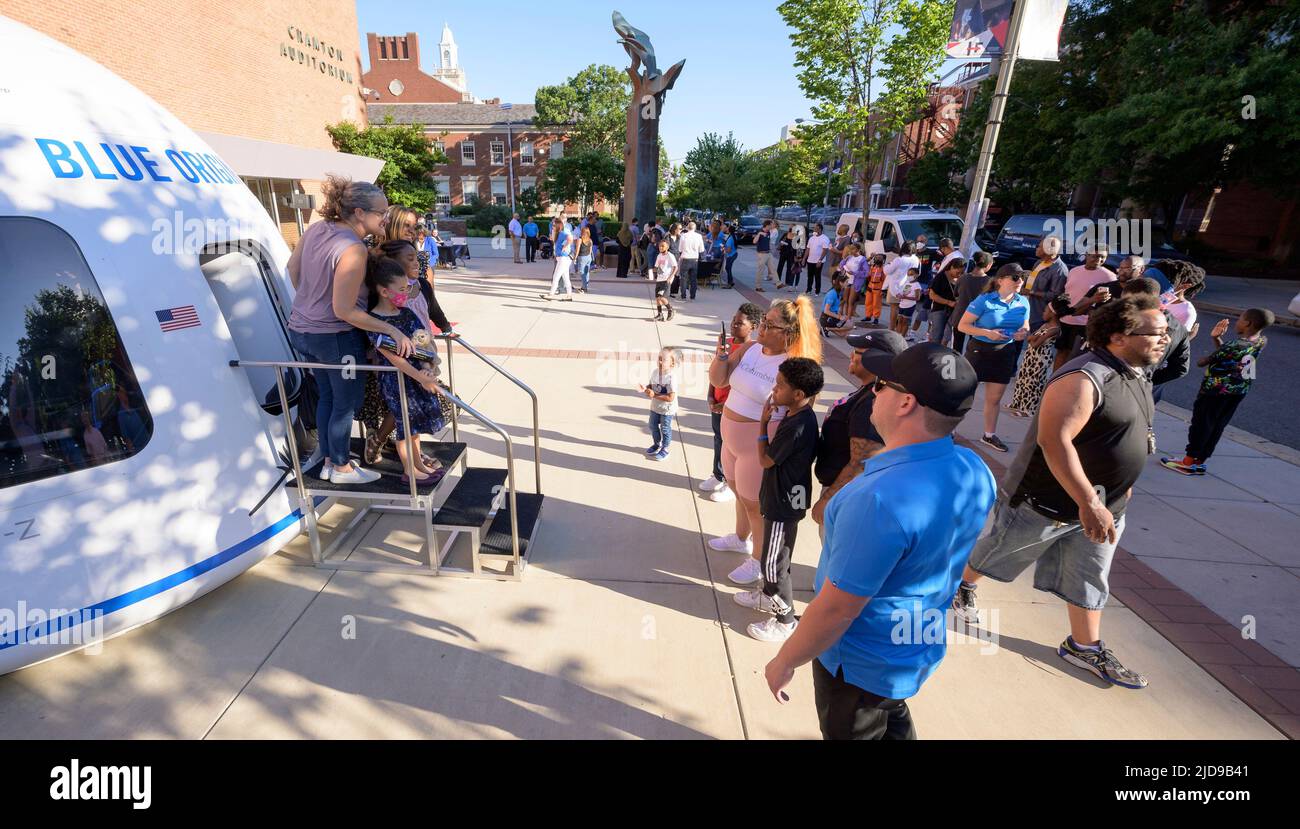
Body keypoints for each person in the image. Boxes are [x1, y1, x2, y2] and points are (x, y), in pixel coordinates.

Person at [764, 343, 996, 740]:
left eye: (881, 384)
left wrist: (785, 660)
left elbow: (837, 610)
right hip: (913, 647)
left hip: (858, 663)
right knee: (892, 717)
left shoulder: (875, 499)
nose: (873, 390)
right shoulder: (975, 468)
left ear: (905, 403)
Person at [954, 295, 1171, 690]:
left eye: (1166, 331)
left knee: (1092, 575)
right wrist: (1088, 501)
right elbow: (1055, 441)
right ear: (1119, 337)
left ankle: (1083, 646)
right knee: (1001, 550)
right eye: (1156, 333)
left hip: (1106, 506)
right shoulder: (1083, 376)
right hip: (1047, 501)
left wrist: (1117, 495)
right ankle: (962, 586)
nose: (1165, 339)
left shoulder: (1136, 373)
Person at [287, 175, 412, 486]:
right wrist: (391, 330)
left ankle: (331, 460)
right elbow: (345, 310)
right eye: (381, 213)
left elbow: (292, 270)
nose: (385, 219)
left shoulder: (316, 229)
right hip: (335, 335)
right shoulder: (353, 249)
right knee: (345, 402)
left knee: (328, 397)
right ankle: (341, 467)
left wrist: (310, 301)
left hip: (302, 330)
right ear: (359, 213)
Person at [708, 298, 822, 585]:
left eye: (770, 325)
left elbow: (798, 412)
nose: (762, 328)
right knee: (738, 493)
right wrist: (721, 356)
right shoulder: (750, 348)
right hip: (730, 438)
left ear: (789, 334)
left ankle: (758, 560)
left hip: (756, 444)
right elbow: (720, 381)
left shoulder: (793, 366)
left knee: (754, 504)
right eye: (763, 322)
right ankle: (739, 538)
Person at [736, 357, 825, 642]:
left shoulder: (797, 425)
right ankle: (765, 596)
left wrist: (762, 424)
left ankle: (785, 618)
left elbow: (765, 460)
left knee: (773, 565)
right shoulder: (797, 414)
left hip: (784, 503)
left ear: (798, 394)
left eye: (780, 385)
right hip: (785, 497)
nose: (774, 389)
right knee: (775, 558)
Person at [811, 331, 906, 536]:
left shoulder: (872, 403)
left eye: (857, 351)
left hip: (846, 497)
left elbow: (862, 461)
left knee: (835, 563)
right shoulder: (867, 392)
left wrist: (829, 498)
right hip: (842, 492)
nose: (850, 355)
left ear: (877, 361)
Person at [1161, 308, 1274, 476]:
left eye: (1240, 319)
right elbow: (1228, 355)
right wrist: (1216, 338)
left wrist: (1211, 346)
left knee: (1201, 424)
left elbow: (1204, 361)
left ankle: (1188, 461)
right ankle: (1199, 462)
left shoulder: (1234, 345)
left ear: (1248, 323)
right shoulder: (1261, 341)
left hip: (1215, 391)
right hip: (1239, 390)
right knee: (1217, 425)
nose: (1237, 322)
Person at [365, 257, 446, 484]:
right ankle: (410, 470)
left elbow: (420, 346)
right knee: (404, 424)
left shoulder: (406, 314)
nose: (405, 293)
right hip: (395, 380)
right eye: (401, 289)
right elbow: (393, 358)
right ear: (384, 291)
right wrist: (418, 376)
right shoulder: (374, 320)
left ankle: (419, 464)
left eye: (407, 288)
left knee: (415, 425)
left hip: (415, 377)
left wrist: (426, 370)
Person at [957, 264, 1031, 453]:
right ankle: (949, 431)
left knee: (994, 399)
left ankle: (989, 435)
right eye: (1015, 277)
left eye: (1022, 277)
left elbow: (1025, 325)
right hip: (979, 351)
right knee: (964, 395)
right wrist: (986, 333)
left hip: (1005, 352)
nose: (1020, 281)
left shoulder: (1023, 301)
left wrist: (1023, 333)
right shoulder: (985, 300)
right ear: (1000, 280)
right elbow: (963, 326)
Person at [701, 304, 763, 501]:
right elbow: (715, 371)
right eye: (733, 321)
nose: (734, 325)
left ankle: (730, 482)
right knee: (718, 440)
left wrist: (724, 404)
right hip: (717, 403)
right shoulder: (726, 343)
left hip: (732, 407)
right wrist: (711, 395)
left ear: (752, 326)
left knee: (732, 446)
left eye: (740, 323)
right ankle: (717, 474)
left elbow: (743, 383)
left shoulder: (752, 350)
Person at [1054, 243, 1116, 370]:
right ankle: (1053, 381)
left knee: (1076, 357)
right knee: (1061, 353)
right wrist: (1056, 310)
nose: (1099, 260)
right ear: (1086, 255)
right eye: (1095, 256)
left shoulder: (1109, 276)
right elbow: (1067, 293)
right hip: (1066, 319)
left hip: (1085, 323)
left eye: (1103, 257)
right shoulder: (1074, 271)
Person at [640, 347, 681, 462]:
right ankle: (656, 444)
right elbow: (652, 385)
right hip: (655, 407)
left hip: (667, 409)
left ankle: (665, 448)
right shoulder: (655, 372)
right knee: (652, 426)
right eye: (659, 358)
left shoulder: (671, 377)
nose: (660, 362)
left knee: (665, 428)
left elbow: (670, 397)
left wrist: (654, 395)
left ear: (672, 363)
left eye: (664, 360)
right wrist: (646, 388)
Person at [1022, 236, 1068, 332]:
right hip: (1027, 310)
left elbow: (1055, 296)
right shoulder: (1039, 262)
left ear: (1048, 250)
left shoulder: (1060, 270)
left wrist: (1032, 292)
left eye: (1039, 246)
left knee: (1034, 344)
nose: (1036, 248)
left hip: (1039, 317)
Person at [950, 251, 993, 354]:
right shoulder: (989, 282)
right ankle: (969, 366)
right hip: (978, 319)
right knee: (973, 347)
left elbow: (956, 295)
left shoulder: (962, 278)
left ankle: (956, 366)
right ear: (988, 265)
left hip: (959, 316)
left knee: (956, 346)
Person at [926, 256, 964, 346]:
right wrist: (948, 302)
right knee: (936, 335)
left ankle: (941, 352)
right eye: (958, 272)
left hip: (954, 311)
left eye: (962, 273)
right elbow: (932, 295)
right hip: (940, 310)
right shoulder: (940, 277)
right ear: (951, 267)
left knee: (948, 336)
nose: (959, 275)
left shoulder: (961, 279)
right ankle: (932, 353)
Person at [883, 241, 920, 330]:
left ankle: (891, 329)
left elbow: (887, 271)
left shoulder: (899, 260)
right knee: (906, 310)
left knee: (894, 308)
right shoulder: (916, 259)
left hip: (895, 287)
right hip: (908, 287)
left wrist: (887, 265)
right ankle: (902, 330)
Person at [542, 218, 575, 301]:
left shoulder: (562, 233)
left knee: (556, 277)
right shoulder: (558, 233)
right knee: (566, 278)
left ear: (558, 226)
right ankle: (569, 295)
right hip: (562, 259)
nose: (552, 226)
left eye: (553, 225)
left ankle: (551, 294)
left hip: (563, 259)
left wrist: (566, 245)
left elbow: (570, 238)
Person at [650, 238, 679, 322]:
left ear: (667, 247)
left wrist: (670, 277)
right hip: (659, 279)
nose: (661, 247)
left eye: (663, 246)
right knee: (657, 298)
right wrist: (652, 271)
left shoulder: (670, 255)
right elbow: (657, 267)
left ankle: (670, 310)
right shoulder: (659, 255)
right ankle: (660, 315)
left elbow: (675, 267)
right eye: (660, 246)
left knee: (662, 297)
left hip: (666, 279)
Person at [677, 220, 705, 300]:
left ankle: (683, 295)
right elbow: (701, 249)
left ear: (687, 227)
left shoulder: (683, 236)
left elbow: (680, 249)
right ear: (695, 228)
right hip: (694, 259)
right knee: (693, 279)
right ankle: (693, 296)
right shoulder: (699, 236)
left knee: (683, 278)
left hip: (685, 258)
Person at [893, 267, 923, 338]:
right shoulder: (906, 283)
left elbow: (917, 298)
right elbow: (903, 292)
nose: (909, 276)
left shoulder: (917, 285)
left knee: (905, 322)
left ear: (917, 275)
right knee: (899, 320)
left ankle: (902, 337)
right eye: (908, 274)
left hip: (909, 306)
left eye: (911, 274)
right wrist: (899, 295)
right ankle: (897, 336)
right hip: (902, 305)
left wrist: (905, 297)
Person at [819, 272, 852, 337]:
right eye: (846, 282)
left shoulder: (839, 291)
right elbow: (826, 310)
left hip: (831, 317)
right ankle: (827, 328)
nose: (848, 284)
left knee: (843, 334)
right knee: (850, 324)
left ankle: (826, 329)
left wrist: (839, 314)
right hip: (826, 318)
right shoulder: (833, 293)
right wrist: (839, 317)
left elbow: (835, 307)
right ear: (841, 283)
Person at [804, 223, 831, 295]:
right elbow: (808, 249)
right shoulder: (811, 238)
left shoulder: (824, 238)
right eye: (814, 228)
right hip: (810, 260)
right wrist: (804, 258)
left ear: (820, 229)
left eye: (816, 228)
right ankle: (808, 289)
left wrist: (820, 260)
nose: (814, 230)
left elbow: (825, 250)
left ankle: (817, 291)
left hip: (818, 261)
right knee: (810, 276)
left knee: (817, 276)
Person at [753, 219, 777, 292]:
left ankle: (778, 283)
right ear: (767, 225)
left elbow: (768, 241)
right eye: (771, 225)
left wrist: (770, 249)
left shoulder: (769, 232)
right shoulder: (760, 231)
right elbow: (754, 241)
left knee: (773, 268)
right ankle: (758, 286)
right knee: (760, 271)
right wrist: (759, 234)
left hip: (768, 253)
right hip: (762, 254)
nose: (772, 226)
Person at [574, 226, 595, 295]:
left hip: (582, 257)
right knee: (587, 272)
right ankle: (586, 286)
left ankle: (584, 287)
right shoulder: (590, 240)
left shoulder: (580, 240)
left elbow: (577, 250)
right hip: (588, 257)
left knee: (582, 272)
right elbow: (591, 250)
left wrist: (575, 258)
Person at [718, 224, 738, 288]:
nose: (726, 229)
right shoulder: (733, 236)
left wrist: (723, 248)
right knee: (728, 268)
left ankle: (730, 283)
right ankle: (731, 282)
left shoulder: (730, 239)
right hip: (734, 254)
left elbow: (728, 250)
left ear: (729, 230)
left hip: (731, 255)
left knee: (728, 268)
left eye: (727, 228)